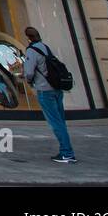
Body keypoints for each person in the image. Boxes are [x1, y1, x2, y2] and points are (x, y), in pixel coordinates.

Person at [23, 26, 77, 163]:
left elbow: (29, 72)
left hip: (45, 90)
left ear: (28, 37)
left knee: (55, 122)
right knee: (60, 121)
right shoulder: (46, 47)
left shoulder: (31, 50)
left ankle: (67, 153)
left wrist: (28, 80)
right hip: (56, 89)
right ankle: (67, 150)